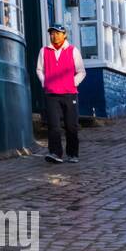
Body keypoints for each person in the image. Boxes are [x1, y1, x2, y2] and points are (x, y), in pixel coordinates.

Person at [36, 22, 84, 164]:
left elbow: (81, 71)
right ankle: (55, 153)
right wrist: (45, 83)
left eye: (57, 33)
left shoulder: (72, 50)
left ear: (64, 35)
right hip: (51, 95)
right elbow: (39, 69)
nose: (54, 36)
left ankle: (73, 154)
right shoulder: (44, 51)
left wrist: (72, 83)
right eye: (51, 33)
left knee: (71, 125)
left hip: (70, 94)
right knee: (53, 125)